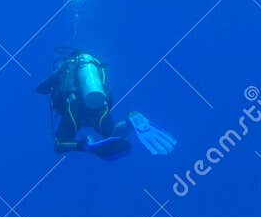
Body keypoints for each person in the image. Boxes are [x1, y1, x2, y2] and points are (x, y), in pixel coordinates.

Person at [37, 48, 176, 160]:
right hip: (99, 103)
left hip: (73, 105)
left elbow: (40, 89)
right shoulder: (95, 66)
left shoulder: (65, 68)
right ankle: (130, 121)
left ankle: (85, 145)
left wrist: (56, 75)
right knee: (111, 134)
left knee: (59, 144)